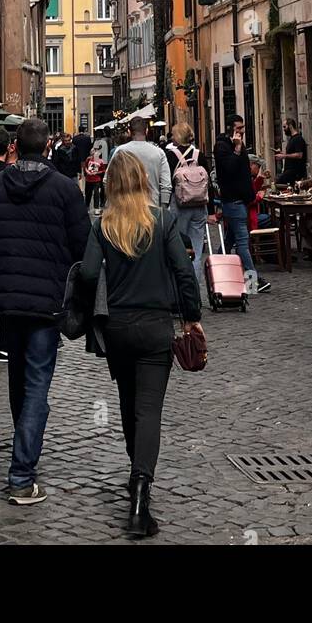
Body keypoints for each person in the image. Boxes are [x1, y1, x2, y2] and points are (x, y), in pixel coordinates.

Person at [0, 117, 90, 505]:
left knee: (19, 381)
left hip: (9, 301)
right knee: (34, 385)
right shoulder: (66, 190)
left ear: (16, 146)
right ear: (48, 146)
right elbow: (83, 248)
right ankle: (22, 472)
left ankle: (25, 450)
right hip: (47, 303)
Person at [79, 151, 202, 539]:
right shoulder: (163, 221)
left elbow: (84, 272)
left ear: (112, 184)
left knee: (129, 405)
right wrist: (192, 316)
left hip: (117, 326)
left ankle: (136, 476)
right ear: (144, 181)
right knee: (149, 411)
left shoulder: (103, 226)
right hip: (154, 326)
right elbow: (183, 272)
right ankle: (141, 489)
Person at [213, 115, 270, 295]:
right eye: (239, 128)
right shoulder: (222, 147)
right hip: (233, 201)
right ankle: (254, 283)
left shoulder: (239, 146)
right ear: (231, 128)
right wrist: (237, 149)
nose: (242, 131)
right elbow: (229, 169)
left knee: (230, 239)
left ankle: (217, 268)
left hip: (240, 201)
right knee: (243, 243)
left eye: (243, 128)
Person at [165, 122, 209, 280]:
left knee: (180, 248)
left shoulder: (170, 155)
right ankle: (195, 289)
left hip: (180, 205)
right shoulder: (199, 154)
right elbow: (207, 181)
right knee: (197, 250)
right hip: (199, 205)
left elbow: (167, 183)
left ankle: (182, 287)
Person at [126, 117, 172, 208]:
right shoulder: (159, 152)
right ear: (146, 131)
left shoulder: (120, 151)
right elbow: (166, 184)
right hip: (152, 205)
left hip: (127, 207)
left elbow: (107, 180)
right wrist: (163, 208)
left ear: (129, 132)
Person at [273, 117, 307, 186]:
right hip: (290, 171)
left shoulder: (298, 139)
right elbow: (291, 154)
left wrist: (284, 156)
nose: (284, 129)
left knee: (277, 184)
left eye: (285, 127)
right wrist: (281, 153)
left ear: (290, 126)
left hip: (295, 171)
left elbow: (299, 155)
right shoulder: (292, 139)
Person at [84, 147, 107, 211]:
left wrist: (97, 172)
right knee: (88, 193)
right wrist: (87, 172)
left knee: (96, 194)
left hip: (96, 179)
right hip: (88, 179)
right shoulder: (88, 159)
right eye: (91, 151)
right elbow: (85, 167)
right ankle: (87, 206)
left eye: (94, 151)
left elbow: (103, 170)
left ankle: (96, 208)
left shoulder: (100, 161)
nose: (92, 153)